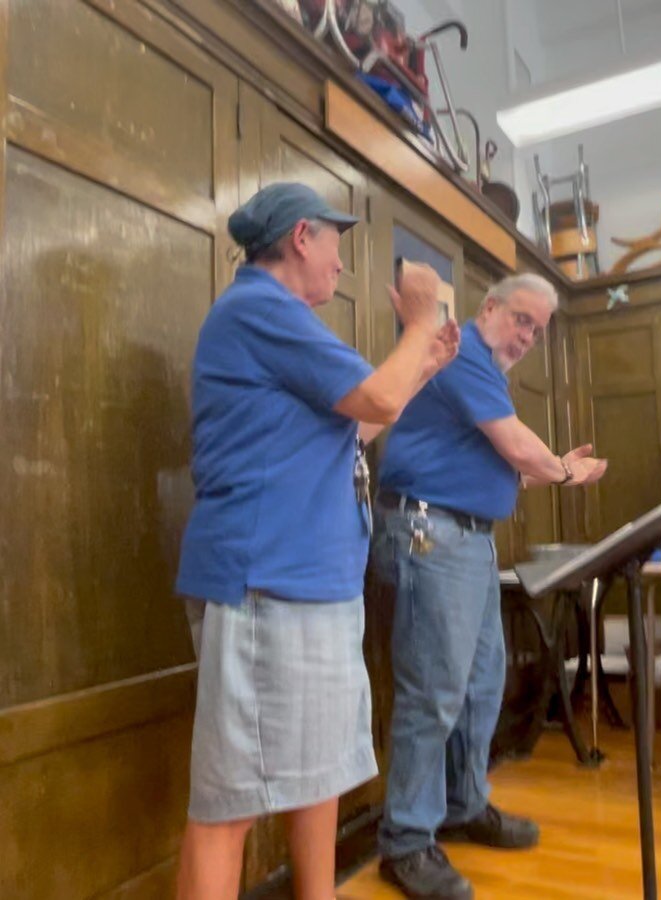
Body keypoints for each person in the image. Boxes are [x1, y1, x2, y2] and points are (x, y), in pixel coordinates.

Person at [174, 181, 460, 900]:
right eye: (336, 241)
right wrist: (421, 324)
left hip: (308, 586)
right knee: (229, 804)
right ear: (302, 236)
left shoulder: (279, 321)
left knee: (320, 775)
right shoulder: (261, 309)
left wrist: (423, 363)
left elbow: (356, 425)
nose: (341, 261)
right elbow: (377, 399)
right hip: (265, 583)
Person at [372, 273, 608, 900]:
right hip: (430, 534)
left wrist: (555, 469)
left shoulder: (483, 372)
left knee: (480, 683)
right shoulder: (463, 353)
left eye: (537, 329)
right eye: (521, 319)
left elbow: (508, 466)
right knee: (435, 691)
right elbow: (517, 449)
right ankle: (406, 843)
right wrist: (560, 468)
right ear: (490, 308)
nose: (528, 335)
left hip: (468, 538)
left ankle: (462, 804)